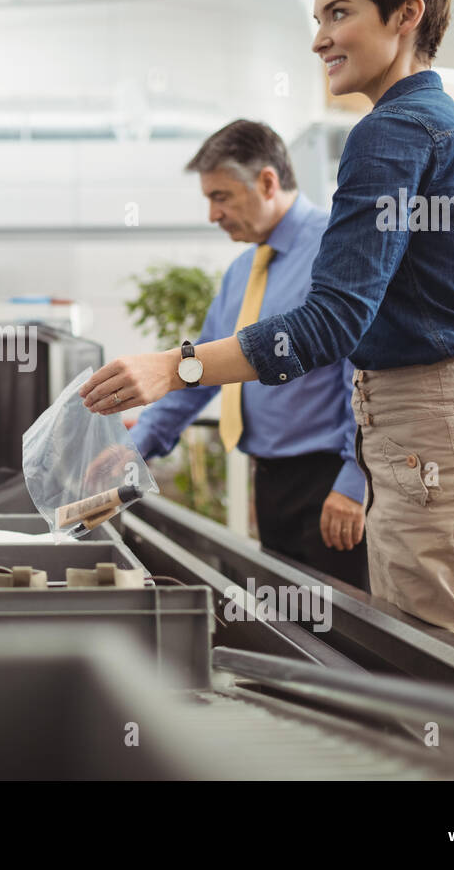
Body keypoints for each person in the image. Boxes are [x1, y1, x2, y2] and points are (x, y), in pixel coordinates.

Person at [82, 0, 454, 683]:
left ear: (406, 15)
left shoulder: (390, 134)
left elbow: (327, 328)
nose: (319, 40)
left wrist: (174, 365)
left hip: (432, 450)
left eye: (338, 14)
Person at [130, 120, 368, 589]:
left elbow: (363, 372)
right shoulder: (241, 272)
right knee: (295, 632)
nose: (212, 215)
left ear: (266, 182)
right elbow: (198, 371)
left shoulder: (336, 247)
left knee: (344, 637)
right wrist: (134, 449)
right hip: (271, 480)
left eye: (220, 196)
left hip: (329, 483)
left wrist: (355, 479)